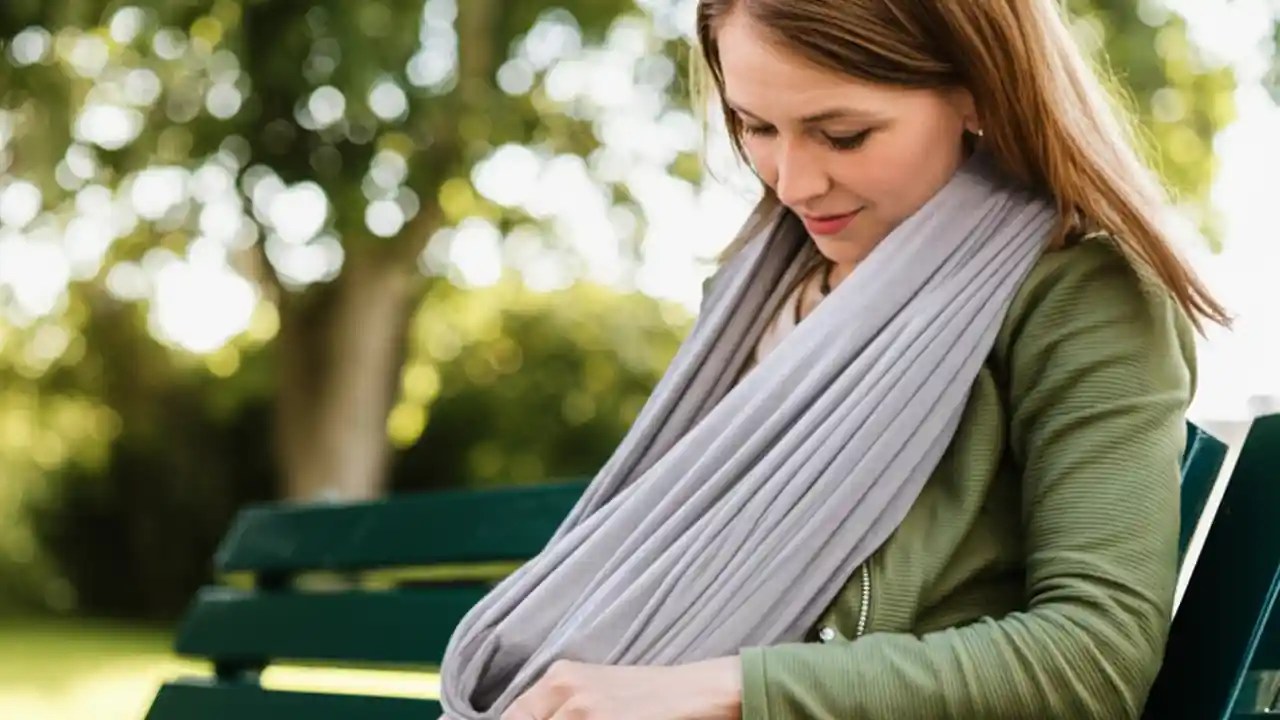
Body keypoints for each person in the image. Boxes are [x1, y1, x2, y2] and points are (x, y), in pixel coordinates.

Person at [440, 1, 1230, 718]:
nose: (793, 181)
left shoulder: (1076, 298)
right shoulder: (750, 290)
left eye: (843, 134)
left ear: (979, 91)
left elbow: (1094, 656)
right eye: (755, 127)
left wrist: (729, 690)